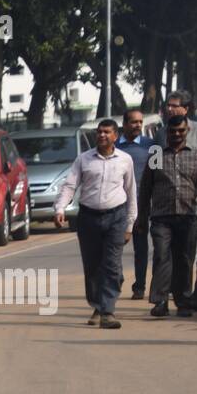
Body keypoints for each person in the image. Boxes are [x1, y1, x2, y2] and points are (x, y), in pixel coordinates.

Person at [54, 117, 136, 329]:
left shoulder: (125, 160)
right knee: (92, 266)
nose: (102, 135)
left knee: (112, 265)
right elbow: (69, 186)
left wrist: (130, 224)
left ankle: (107, 311)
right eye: (99, 132)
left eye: (107, 132)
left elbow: (131, 193)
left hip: (116, 217)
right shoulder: (84, 159)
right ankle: (98, 305)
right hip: (89, 218)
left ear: (115, 136)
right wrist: (60, 208)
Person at [136, 114, 197, 318]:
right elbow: (146, 188)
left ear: (187, 131)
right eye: (172, 131)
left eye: (180, 131)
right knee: (161, 256)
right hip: (161, 218)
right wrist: (142, 217)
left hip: (187, 216)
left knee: (185, 259)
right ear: (166, 132)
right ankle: (160, 301)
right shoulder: (157, 155)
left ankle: (183, 301)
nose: (176, 134)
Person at [117, 108, 155, 299]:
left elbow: (157, 174)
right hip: (116, 206)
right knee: (114, 246)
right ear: (124, 124)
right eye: (133, 122)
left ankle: (139, 286)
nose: (138, 125)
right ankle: (117, 279)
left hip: (141, 205)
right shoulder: (114, 145)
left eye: (140, 122)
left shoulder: (151, 146)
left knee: (141, 248)